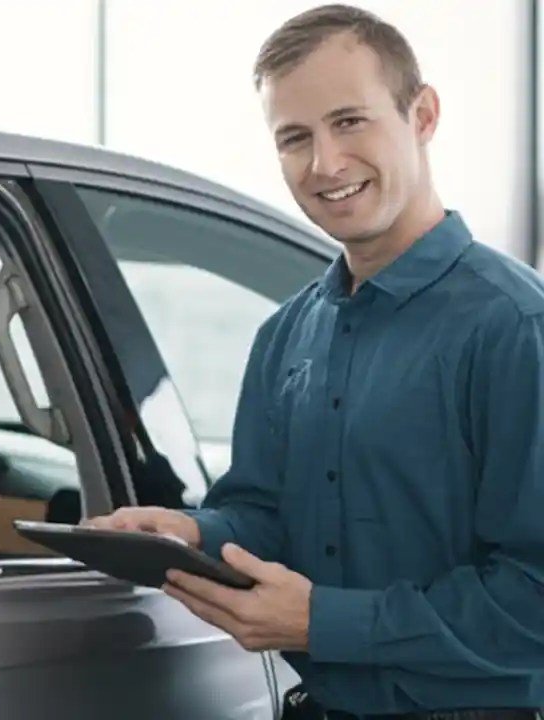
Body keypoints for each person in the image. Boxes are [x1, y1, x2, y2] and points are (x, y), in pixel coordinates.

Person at [86, 5, 544, 717]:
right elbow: (267, 519)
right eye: (294, 138)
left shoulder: (516, 326)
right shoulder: (286, 335)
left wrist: (322, 621)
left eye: (350, 122)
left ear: (423, 115)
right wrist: (192, 533)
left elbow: (535, 596)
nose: (324, 164)